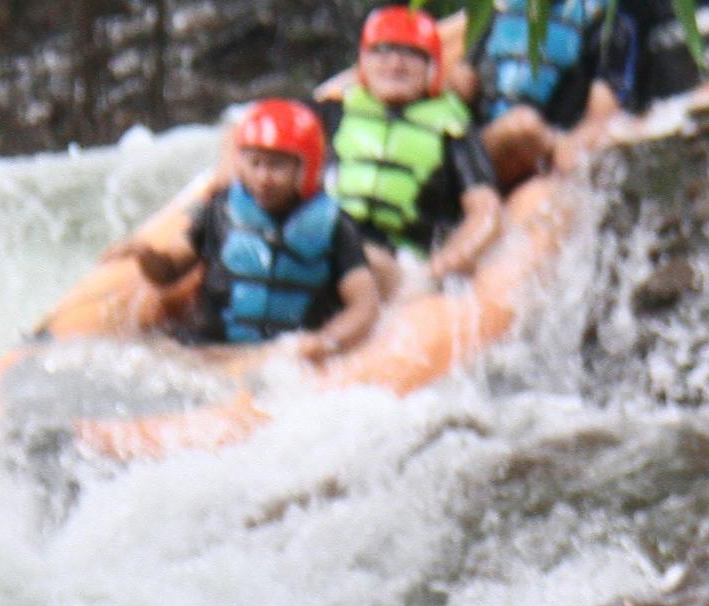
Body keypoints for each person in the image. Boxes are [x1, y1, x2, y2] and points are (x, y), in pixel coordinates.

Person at [114, 100, 382, 359]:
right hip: (212, 350)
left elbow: (364, 304)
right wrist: (146, 254)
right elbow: (169, 272)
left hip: (281, 358)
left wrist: (326, 341)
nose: (263, 177)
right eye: (255, 163)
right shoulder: (219, 210)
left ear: (307, 167)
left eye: (277, 166)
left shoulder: (335, 225)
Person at [315, 8, 503, 297]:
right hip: (329, 245)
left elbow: (484, 208)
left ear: (432, 68)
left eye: (410, 54)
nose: (394, 64)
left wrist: (452, 259)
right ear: (363, 63)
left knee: (360, 258)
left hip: (402, 262)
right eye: (382, 52)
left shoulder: (452, 128)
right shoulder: (335, 110)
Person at [469, 0, 619, 188]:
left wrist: (561, 144)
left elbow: (601, 117)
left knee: (525, 127)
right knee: (522, 126)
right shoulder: (499, 8)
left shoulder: (601, 17)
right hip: (489, 145)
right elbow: (463, 81)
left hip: (551, 149)